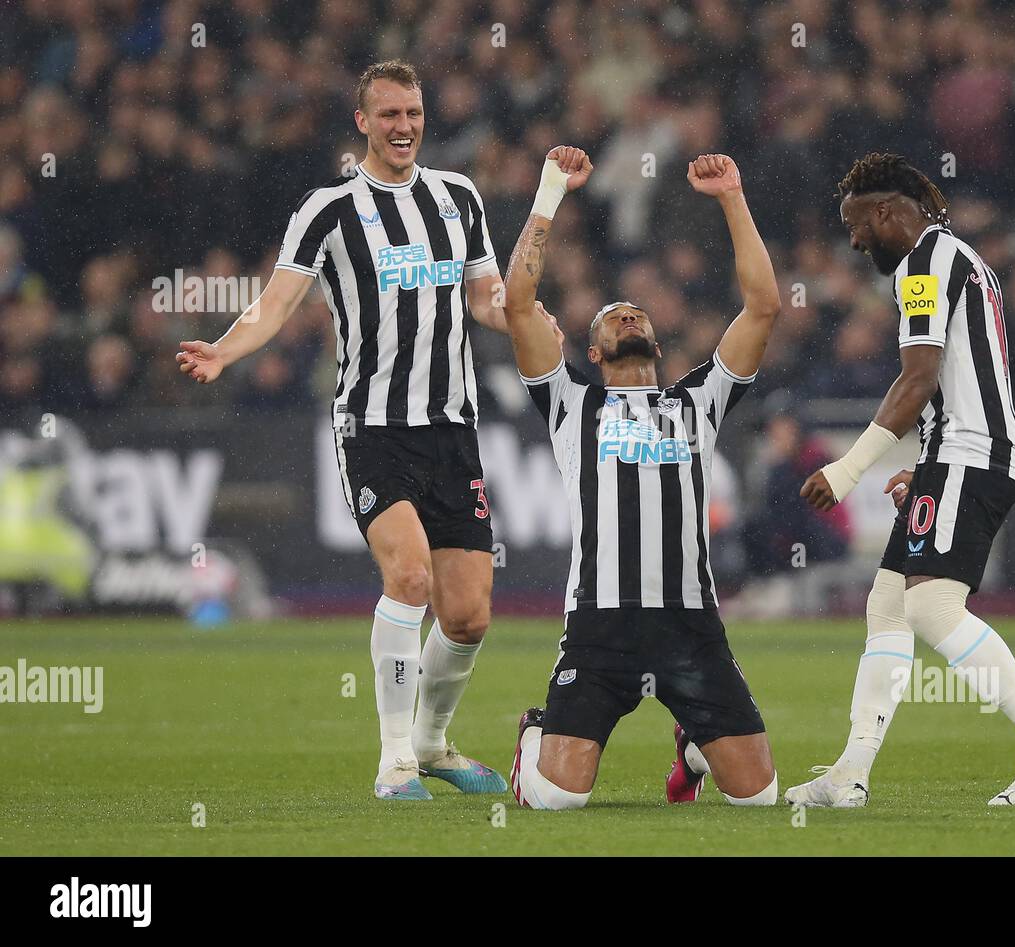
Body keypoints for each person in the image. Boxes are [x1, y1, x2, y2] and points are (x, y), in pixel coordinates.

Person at [176, 60, 509, 800]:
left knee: (469, 614)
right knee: (411, 578)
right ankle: (393, 759)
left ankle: (432, 744)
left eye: (414, 113)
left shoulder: (459, 197)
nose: (404, 127)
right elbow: (277, 302)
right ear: (362, 122)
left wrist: (526, 317)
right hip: (373, 427)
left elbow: (488, 300)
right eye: (389, 114)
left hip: (453, 428)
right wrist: (225, 350)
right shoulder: (328, 209)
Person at [786, 152, 1015, 808]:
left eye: (859, 223)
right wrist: (924, 465)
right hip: (956, 451)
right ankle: (851, 772)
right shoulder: (959, 257)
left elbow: (918, 376)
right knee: (889, 606)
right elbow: (949, 381)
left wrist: (847, 468)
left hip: (971, 453)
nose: (854, 238)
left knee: (930, 605)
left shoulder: (923, 263)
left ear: (892, 212)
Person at [501, 146, 780, 810]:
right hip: (601, 628)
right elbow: (517, 304)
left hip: (691, 626)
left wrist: (733, 200)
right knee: (556, 800)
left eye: (639, 314)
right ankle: (535, 736)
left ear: (656, 343)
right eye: (614, 314)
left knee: (759, 798)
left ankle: (693, 744)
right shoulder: (573, 403)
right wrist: (548, 194)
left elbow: (764, 306)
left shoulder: (697, 401)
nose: (628, 314)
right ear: (592, 350)